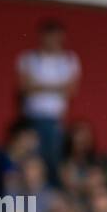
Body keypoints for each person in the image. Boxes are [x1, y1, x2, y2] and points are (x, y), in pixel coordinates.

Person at [16, 20, 80, 182]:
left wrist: (39, 85)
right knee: (31, 159)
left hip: (55, 119)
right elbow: (25, 88)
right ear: (42, 37)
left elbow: (71, 90)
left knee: (52, 160)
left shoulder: (69, 60)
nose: (53, 41)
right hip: (32, 118)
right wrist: (57, 87)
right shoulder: (28, 58)